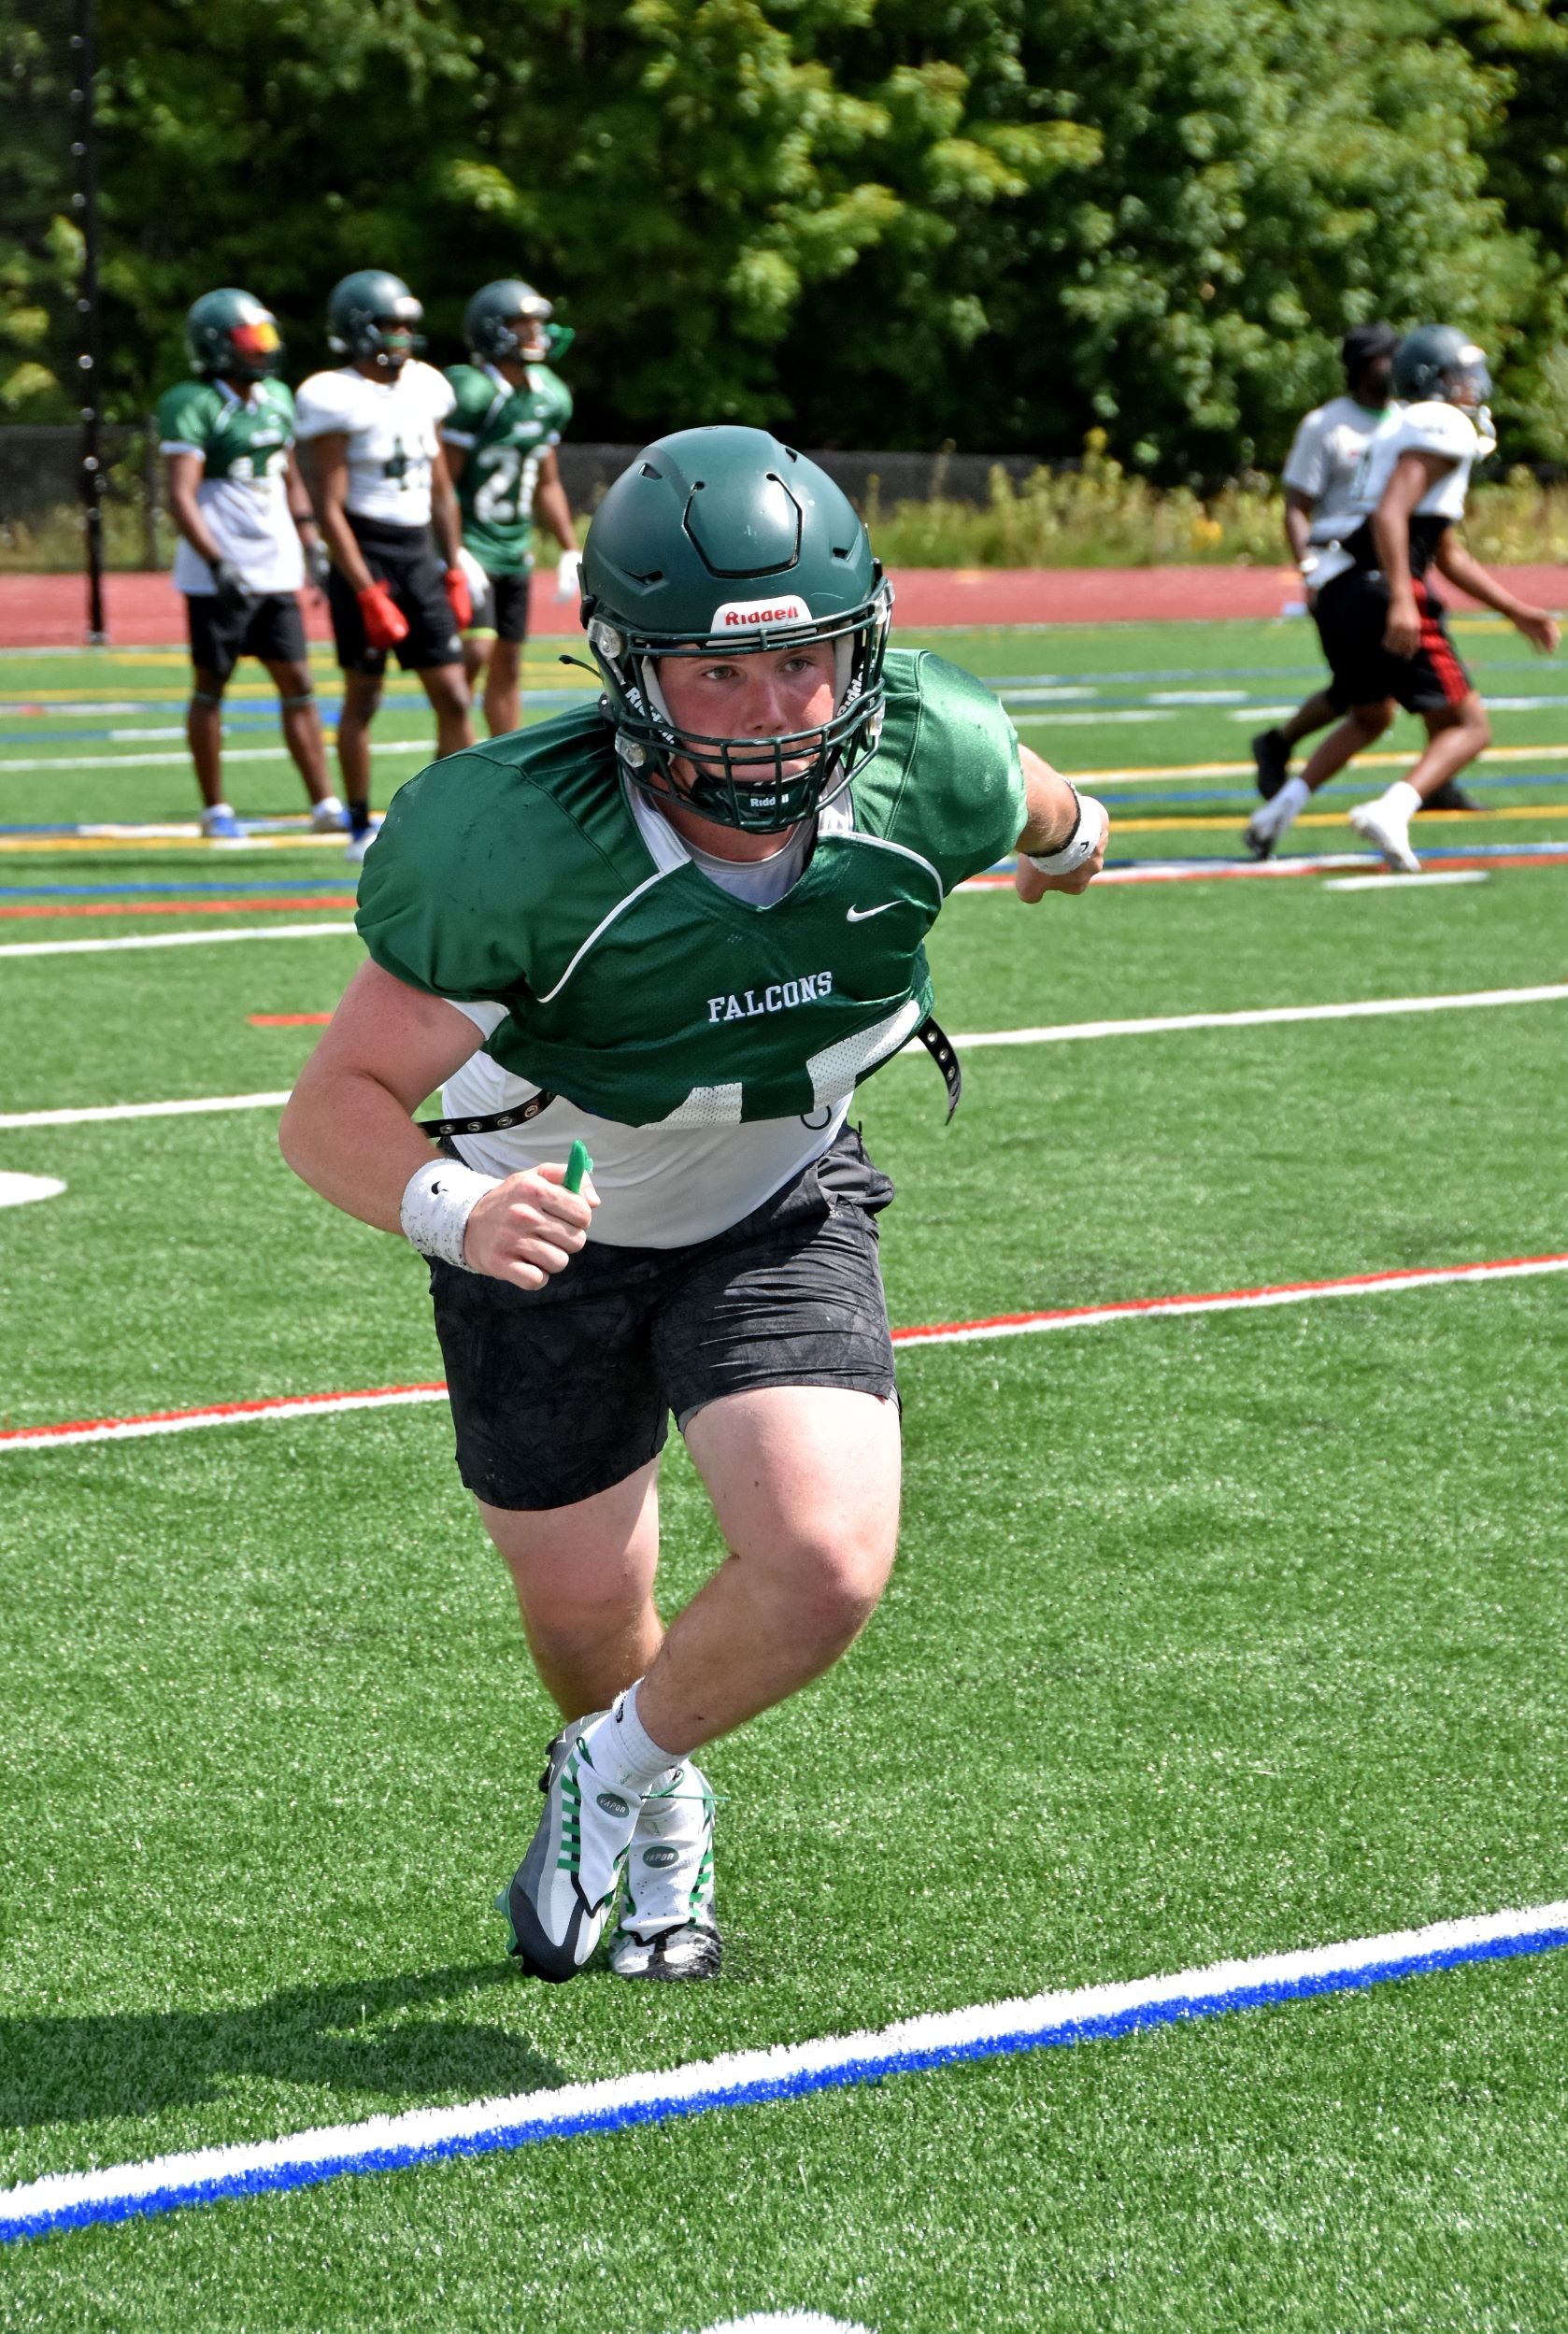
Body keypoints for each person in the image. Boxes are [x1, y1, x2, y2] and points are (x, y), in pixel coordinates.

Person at [278, 426, 1108, 1985]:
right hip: (551, 1226)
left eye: (803, 662)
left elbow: (1047, 808)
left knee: (821, 1557)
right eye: (713, 674)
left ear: (861, 651)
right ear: (627, 674)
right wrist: (453, 1208)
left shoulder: (934, 751)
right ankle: (651, 1784)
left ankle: (613, 1771)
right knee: (591, 1606)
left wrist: (1073, 846)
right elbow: (327, 1108)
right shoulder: (515, 843)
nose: (770, 712)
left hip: (777, 1191)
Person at [1245, 326, 1559, 871]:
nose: (1473, 387)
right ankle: (1393, 809)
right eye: (1462, 375)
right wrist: (1401, 599)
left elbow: (1446, 552)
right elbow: (1392, 512)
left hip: (1340, 584)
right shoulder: (1440, 423)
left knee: (1369, 715)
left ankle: (1277, 812)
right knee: (1470, 727)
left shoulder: (1405, 426)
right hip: (1376, 584)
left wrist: (1515, 609)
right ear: (1433, 379)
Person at [293, 270, 475, 864]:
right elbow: (328, 504)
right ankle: (358, 821)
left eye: (406, 325)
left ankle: (453, 814)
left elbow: (441, 487)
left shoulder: (427, 385)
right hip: (364, 549)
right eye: (390, 324)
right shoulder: (332, 393)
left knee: (452, 693)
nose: (401, 336)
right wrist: (365, 588)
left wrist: (451, 563)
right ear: (357, 328)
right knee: (363, 696)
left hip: (417, 547)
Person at [155, 289, 344, 842]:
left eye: (265, 337)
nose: (262, 349)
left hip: (274, 564)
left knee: (299, 681)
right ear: (217, 346)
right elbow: (181, 495)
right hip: (220, 570)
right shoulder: (193, 401)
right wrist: (218, 563)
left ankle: (324, 801)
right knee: (212, 682)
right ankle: (215, 808)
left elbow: (289, 477)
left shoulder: (277, 397)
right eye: (249, 339)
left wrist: (311, 544)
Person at [444, 279, 581, 739]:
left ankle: (504, 761)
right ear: (492, 329)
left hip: (514, 546)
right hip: (472, 546)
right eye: (522, 323)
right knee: (472, 658)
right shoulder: (474, 392)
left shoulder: (549, 395)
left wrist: (567, 547)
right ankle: (451, 771)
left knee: (509, 661)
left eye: (537, 322)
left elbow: (546, 480)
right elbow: (442, 480)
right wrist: (453, 549)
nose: (535, 332)